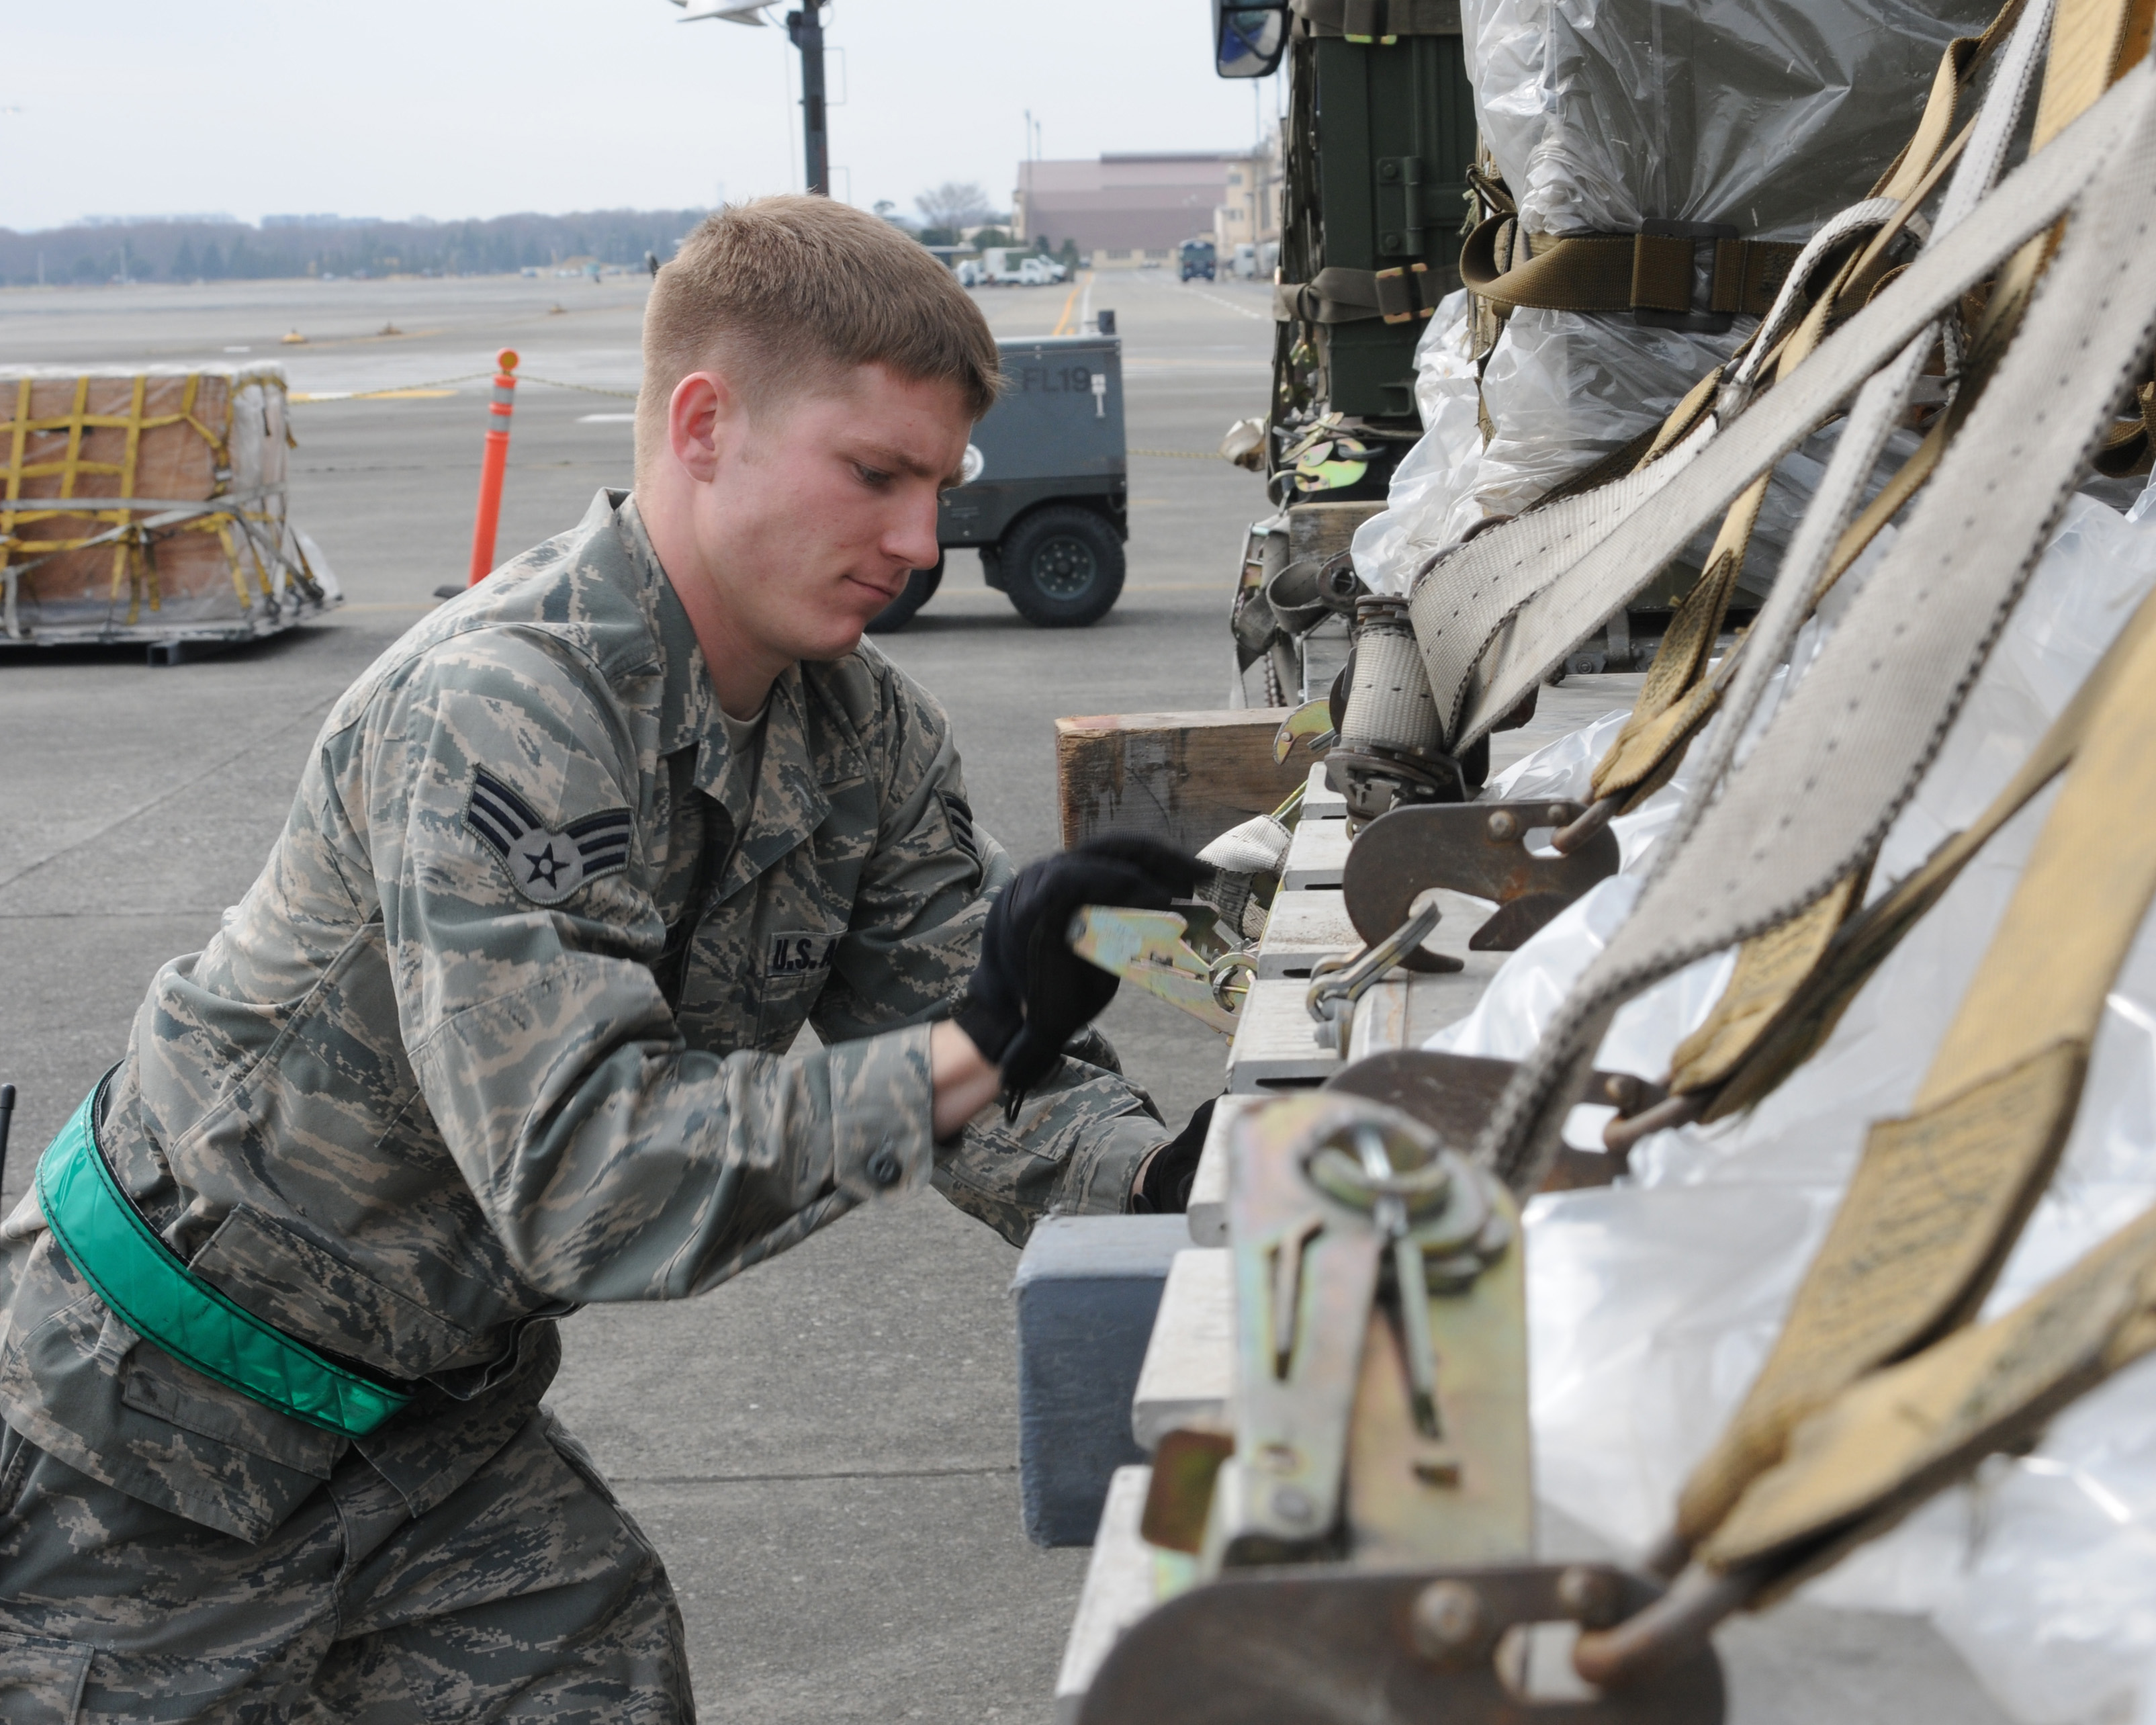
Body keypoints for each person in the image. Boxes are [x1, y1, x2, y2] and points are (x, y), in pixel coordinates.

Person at [0, 195, 1211, 1720]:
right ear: (705, 425)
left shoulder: (866, 737)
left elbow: (976, 1044)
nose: (920, 542)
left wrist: (1160, 1180)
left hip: (429, 1416)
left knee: (599, 1675)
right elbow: (587, 1181)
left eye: (941, 485)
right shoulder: (504, 708)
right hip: (143, 1436)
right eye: (877, 476)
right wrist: (970, 1052)